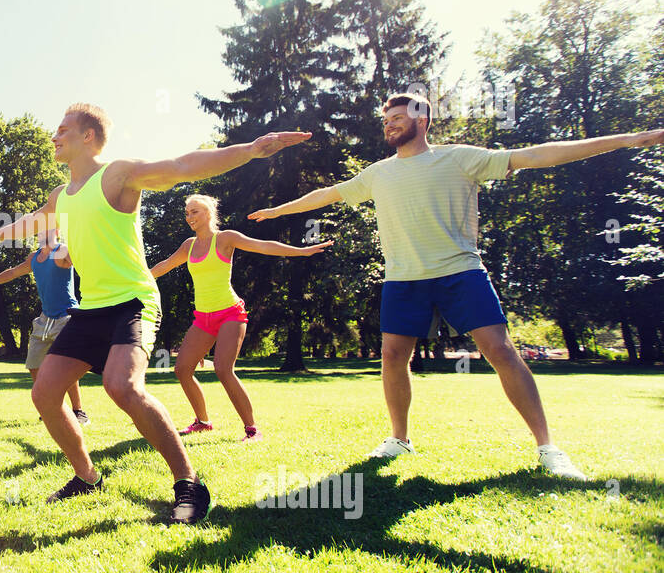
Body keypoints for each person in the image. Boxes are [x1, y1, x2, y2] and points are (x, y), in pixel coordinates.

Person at [250, 92, 664, 478]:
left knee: (500, 350)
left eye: (397, 118)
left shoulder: (461, 159)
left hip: (460, 272)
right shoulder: (379, 174)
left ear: (422, 120)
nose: (389, 125)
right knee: (393, 355)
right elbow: (327, 195)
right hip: (403, 278)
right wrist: (276, 210)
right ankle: (399, 439)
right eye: (385, 121)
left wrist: (631, 139)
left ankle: (548, 449)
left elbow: (537, 156)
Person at [0, 102, 310, 524]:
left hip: (132, 301)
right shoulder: (61, 195)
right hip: (91, 308)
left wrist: (250, 149)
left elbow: (183, 165)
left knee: (123, 387)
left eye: (63, 129)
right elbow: (36, 219)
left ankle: (189, 483)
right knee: (44, 392)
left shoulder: (117, 174)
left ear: (88, 136)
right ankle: (87, 476)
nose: (54, 136)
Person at [150, 193, 332, 442]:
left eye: (195, 211)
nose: (190, 217)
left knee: (224, 370)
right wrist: (137, 279)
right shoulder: (188, 245)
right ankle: (203, 422)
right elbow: (164, 265)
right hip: (202, 317)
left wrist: (301, 251)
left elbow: (263, 245)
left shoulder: (226, 239)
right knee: (182, 369)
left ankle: (252, 429)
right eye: (188, 213)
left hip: (229, 313)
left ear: (209, 213)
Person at [0, 227, 90, 426]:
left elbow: (86, 260)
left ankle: (78, 411)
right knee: (34, 365)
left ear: (57, 229)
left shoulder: (63, 251)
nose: (42, 231)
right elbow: (12, 272)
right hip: (44, 320)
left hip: (67, 318)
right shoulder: (35, 257)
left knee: (65, 368)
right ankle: (51, 407)